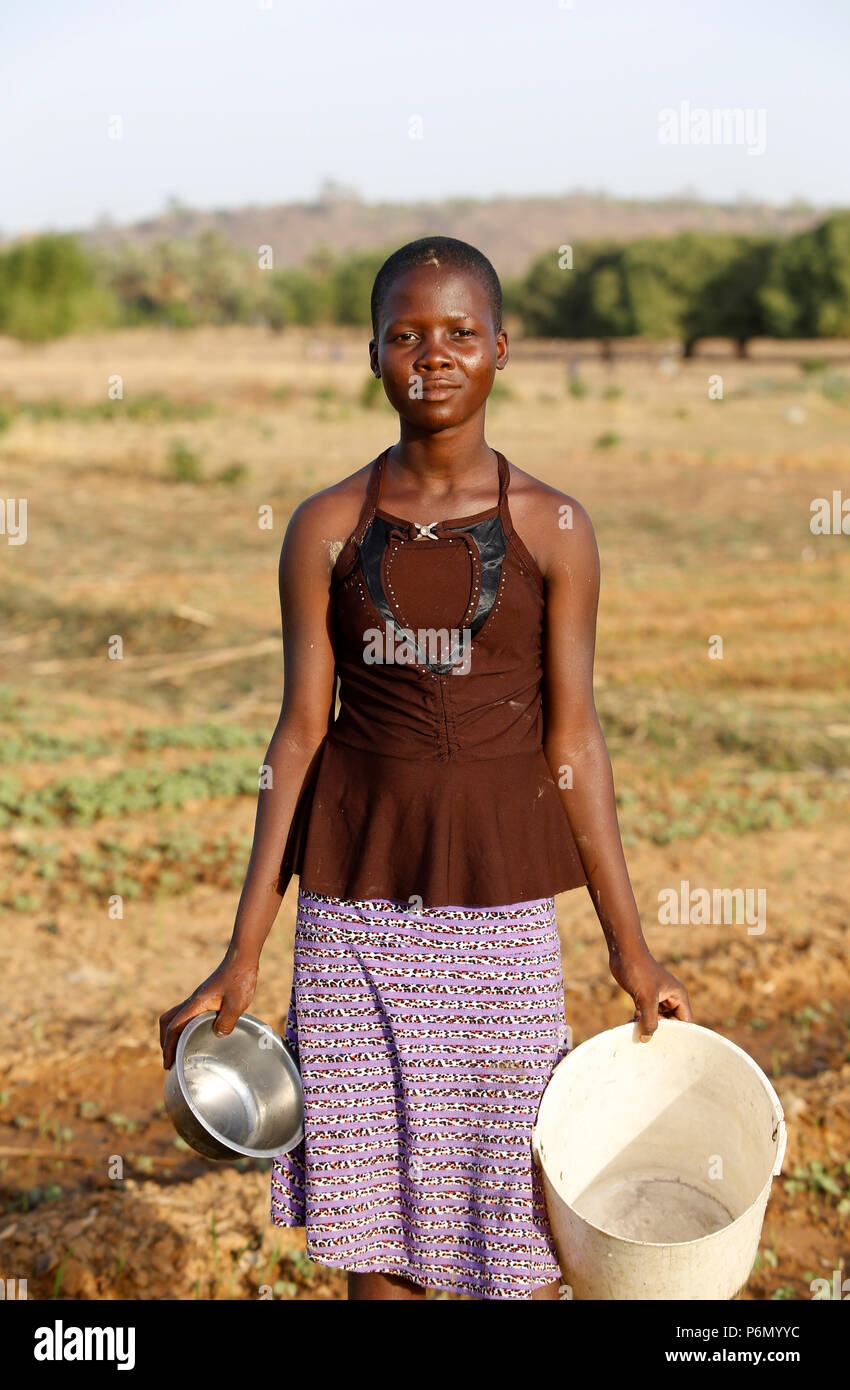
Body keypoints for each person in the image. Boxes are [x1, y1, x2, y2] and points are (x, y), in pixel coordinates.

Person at [159, 235, 692, 1301]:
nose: (432, 355)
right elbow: (300, 733)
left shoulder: (553, 527)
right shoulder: (323, 527)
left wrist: (632, 951)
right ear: (371, 355)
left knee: (517, 1228)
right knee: (376, 1234)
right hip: (353, 919)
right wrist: (242, 950)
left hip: (498, 924)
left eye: (457, 333)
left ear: (501, 346)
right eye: (405, 334)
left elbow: (574, 739)